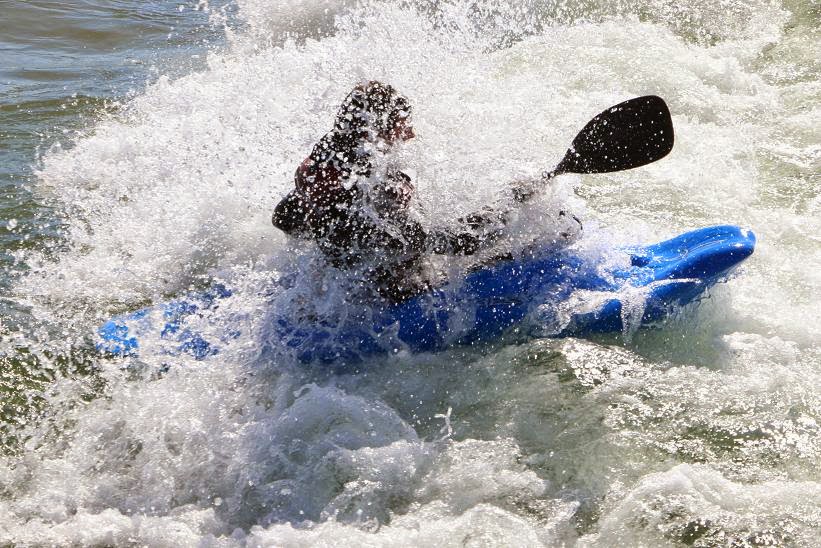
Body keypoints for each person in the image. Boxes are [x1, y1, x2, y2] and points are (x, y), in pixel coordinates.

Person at [273, 81, 579, 303]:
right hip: (381, 290)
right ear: (374, 130)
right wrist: (513, 201)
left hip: (350, 271)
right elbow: (456, 241)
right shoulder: (374, 188)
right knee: (470, 243)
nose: (410, 133)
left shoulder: (324, 161)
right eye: (401, 125)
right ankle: (521, 208)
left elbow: (283, 217)